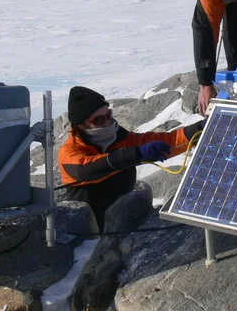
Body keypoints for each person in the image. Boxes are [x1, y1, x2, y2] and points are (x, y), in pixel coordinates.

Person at [58, 86, 204, 230]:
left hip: (125, 221)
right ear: (80, 125)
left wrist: (199, 130)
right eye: (99, 120)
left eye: (109, 115)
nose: (108, 122)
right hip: (89, 233)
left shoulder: (120, 138)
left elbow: (170, 140)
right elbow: (88, 169)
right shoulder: (70, 152)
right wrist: (136, 154)